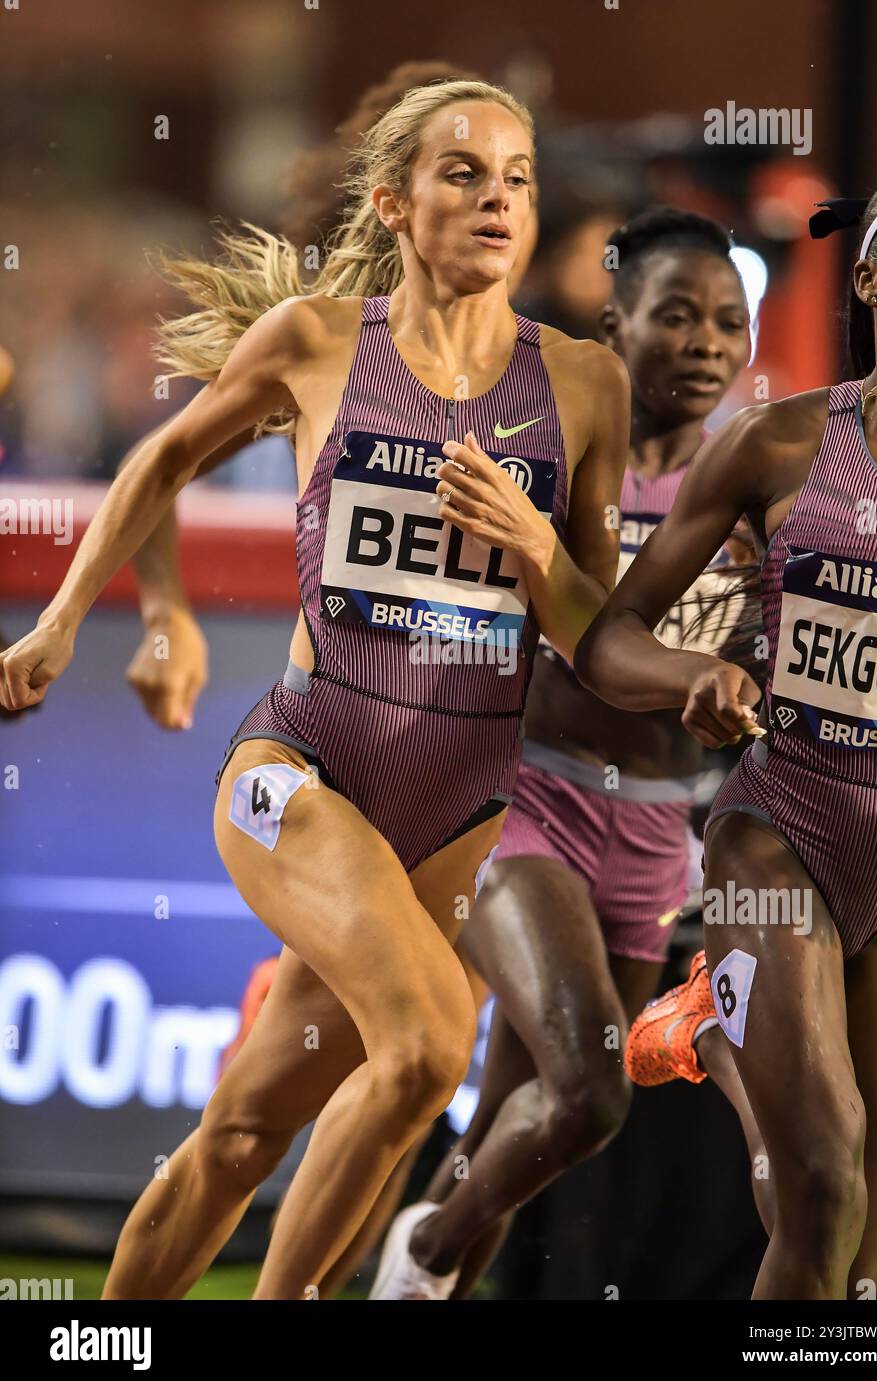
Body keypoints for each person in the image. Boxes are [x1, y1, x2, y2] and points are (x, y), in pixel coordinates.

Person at [0, 78, 628, 1300]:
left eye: (517, 176)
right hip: (301, 767)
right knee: (430, 1041)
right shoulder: (317, 341)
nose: (497, 198)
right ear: (393, 202)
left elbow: (592, 637)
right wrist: (73, 621)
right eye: (463, 173)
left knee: (243, 1130)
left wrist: (538, 549)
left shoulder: (585, 386)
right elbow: (160, 459)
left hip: (457, 812)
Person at [371, 207, 761, 1299]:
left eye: (730, 322)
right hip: (525, 801)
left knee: (519, 1119)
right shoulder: (545, 454)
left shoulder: (757, 485)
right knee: (591, 1086)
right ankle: (427, 1252)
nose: (705, 342)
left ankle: (415, 1270)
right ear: (612, 323)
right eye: (675, 315)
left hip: (653, 831)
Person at [573, 168, 877, 1300]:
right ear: (870, 278)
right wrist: (694, 675)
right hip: (783, 833)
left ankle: (718, 1028)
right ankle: (730, 1008)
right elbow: (607, 636)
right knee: (823, 1187)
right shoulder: (775, 447)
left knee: (869, 1262)